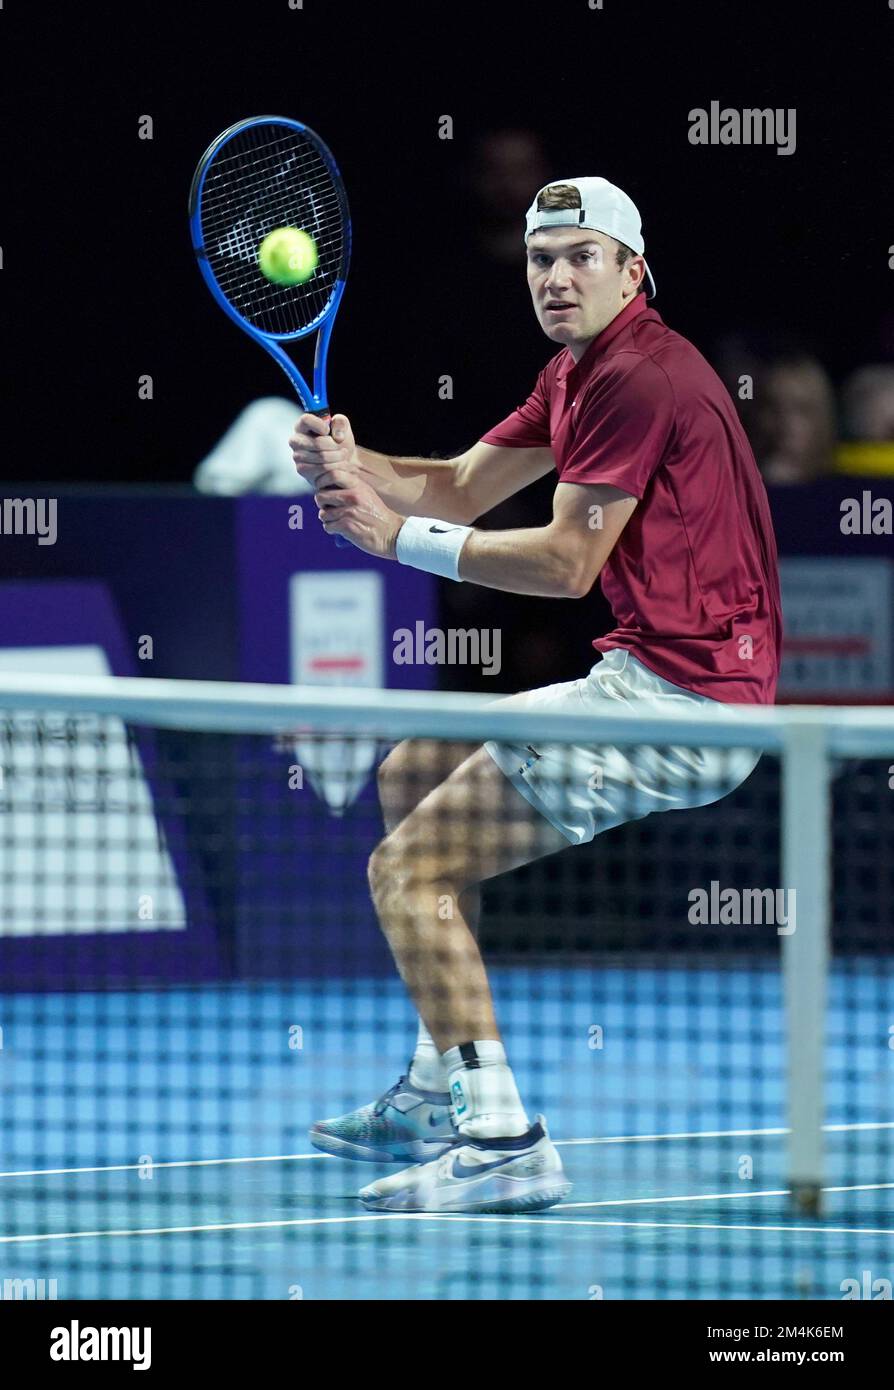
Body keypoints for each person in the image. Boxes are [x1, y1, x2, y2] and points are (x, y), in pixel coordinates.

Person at [289, 177, 782, 1215]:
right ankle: (436, 1085)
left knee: (404, 870)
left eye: (581, 256)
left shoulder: (642, 379)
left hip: (683, 708)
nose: (556, 277)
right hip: (642, 679)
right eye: (540, 259)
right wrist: (357, 461)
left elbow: (564, 564)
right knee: (410, 771)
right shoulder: (577, 373)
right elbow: (463, 483)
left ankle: (504, 1136)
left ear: (631, 271)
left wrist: (393, 536)